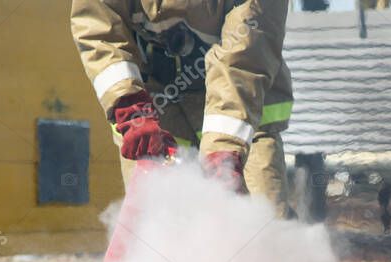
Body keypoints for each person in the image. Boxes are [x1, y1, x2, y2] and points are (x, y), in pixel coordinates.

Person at [70, 0, 294, 213]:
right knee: (155, 221)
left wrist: (225, 151)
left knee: (260, 218)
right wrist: (129, 106)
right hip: (151, 95)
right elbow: (98, 27)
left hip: (242, 103)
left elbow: (244, 57)